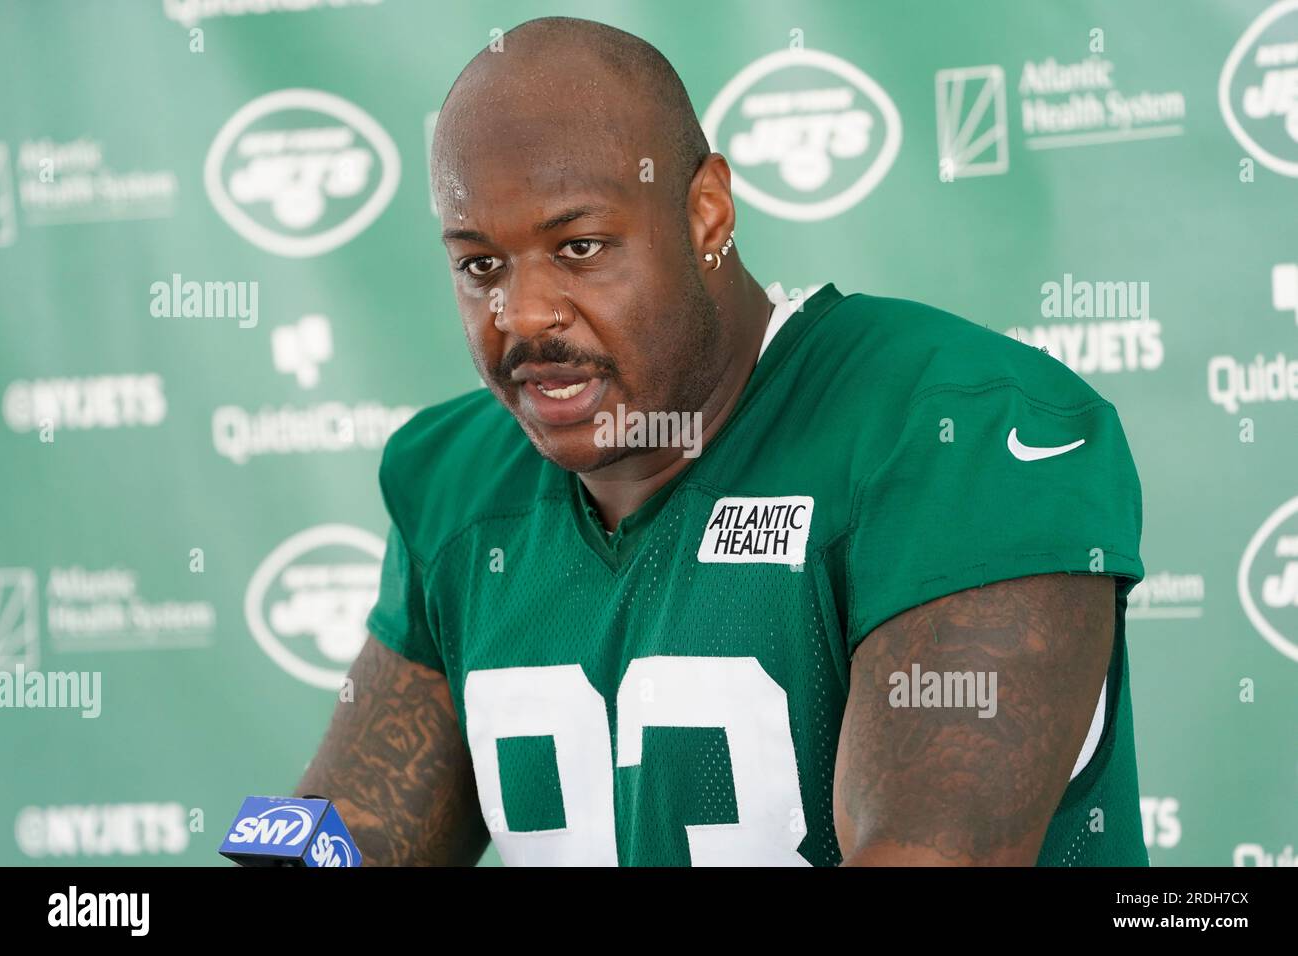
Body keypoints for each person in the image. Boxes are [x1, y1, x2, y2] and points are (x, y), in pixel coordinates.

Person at [297, 15, 1147, 866]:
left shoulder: (958, 429)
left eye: (579, 247)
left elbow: (928, 855)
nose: (520, 315)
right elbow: (347, 839)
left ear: (706, 213)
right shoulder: (455, 478)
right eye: (481, 265)